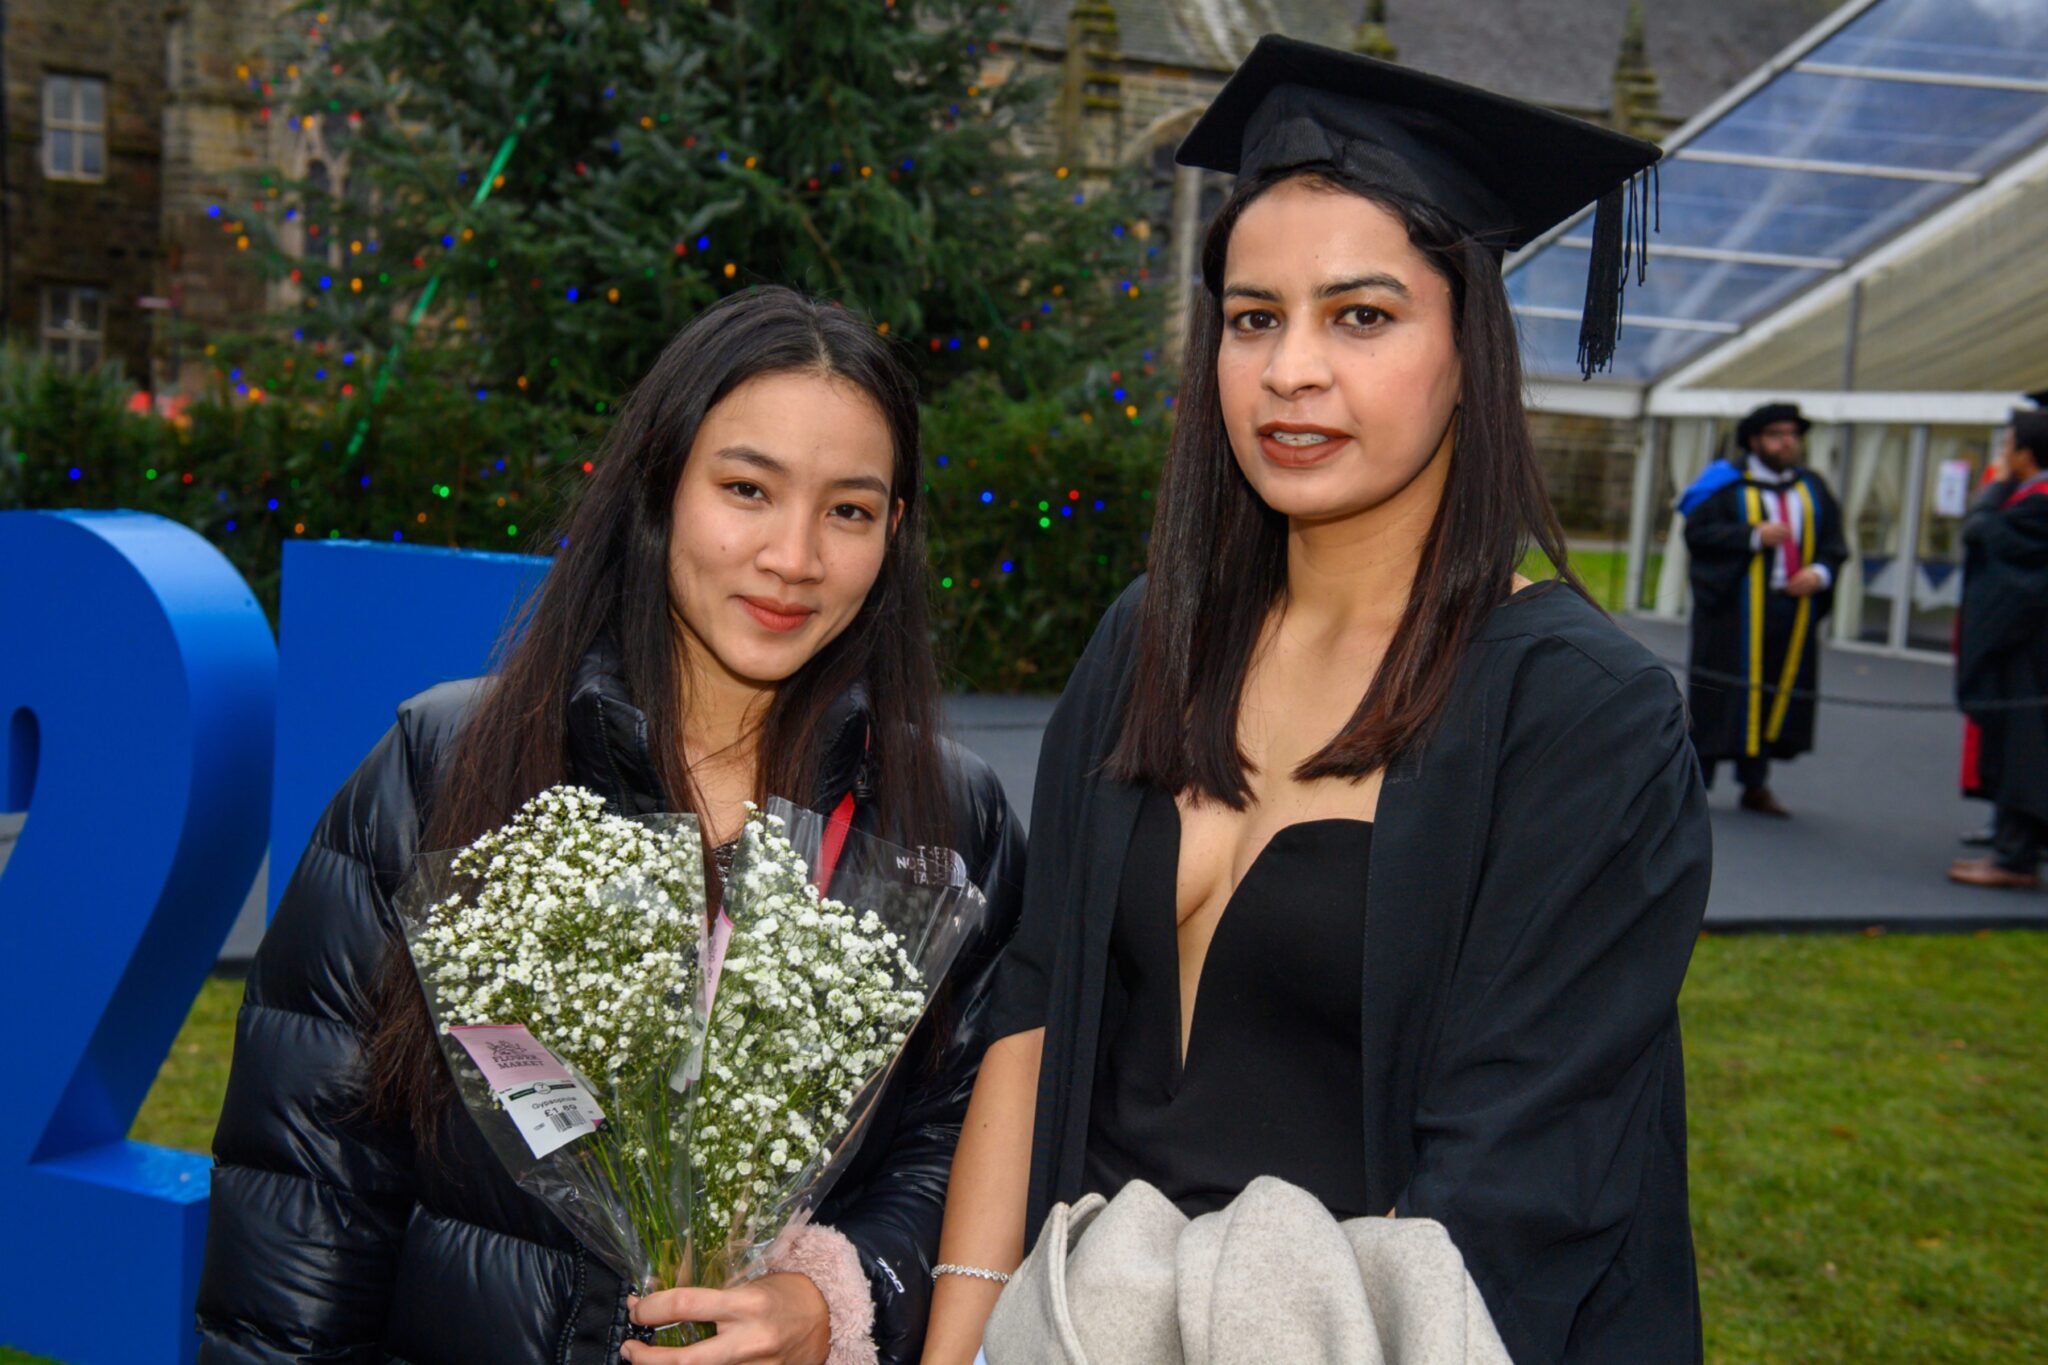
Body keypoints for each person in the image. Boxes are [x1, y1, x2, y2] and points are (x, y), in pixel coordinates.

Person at [923, 36, 1710, 1365]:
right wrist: (958, 1347)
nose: (1292, 368)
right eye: (1252, 317)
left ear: (1469, 342)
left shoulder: (1582, 718)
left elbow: (1508, 1192)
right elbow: (1036, 1013)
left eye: (1361, 314)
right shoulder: (1146, 643)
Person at [196, 287, 1025, 1365]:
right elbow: (304, 1195)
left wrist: (836, 1298)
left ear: (894, 531)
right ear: (658, 483)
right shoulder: (447, 769)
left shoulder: (945, 823)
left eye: (849, 511)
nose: (793, 556)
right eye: (745, 489)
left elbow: (959, 1152)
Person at [1677, 402, 1848, 817]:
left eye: (1793, 434)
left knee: (1772, 692)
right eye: (1777, 434)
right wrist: (1752, 536)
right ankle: (1693, 784)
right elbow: (1698, 534)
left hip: (1789, 610)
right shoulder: (1725, 485)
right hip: (1732, 611)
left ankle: (1756, 784)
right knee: (1720, 694)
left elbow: (1834, 543)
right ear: (1754, 441)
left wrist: (1820, 574)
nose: (1788, 442)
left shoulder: (1812, 487)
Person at [1949, 395, 2048, 889]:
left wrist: (1993, 488)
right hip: (2028, 650)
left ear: (2026, 453)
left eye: (2008, 446)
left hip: (2027, 655)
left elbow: (1983, 536)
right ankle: (2016, 848)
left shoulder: (2037, 504)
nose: (2002, 454)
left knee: (2024, 751)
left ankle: (2015, 860)